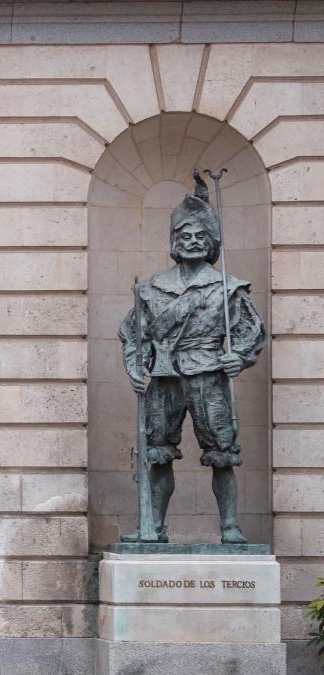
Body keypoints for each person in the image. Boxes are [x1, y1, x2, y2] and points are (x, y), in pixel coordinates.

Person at [119, 169, 268, 544]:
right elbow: (134, 334)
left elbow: (251, 331)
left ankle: (230, 527)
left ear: (212, 243)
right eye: (185, 236)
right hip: (164, 377)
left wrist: (241, 357)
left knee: (222, 452)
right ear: (174, 241)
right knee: (157, 452)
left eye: (201, 236)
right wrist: (136, 366)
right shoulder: (152, 288)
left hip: (209, 375)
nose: (192, 241)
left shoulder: (227, 288)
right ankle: (154, 527)